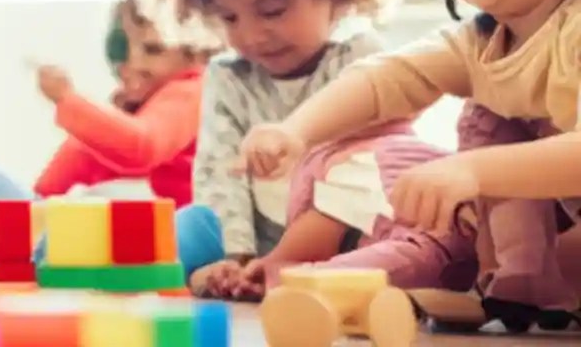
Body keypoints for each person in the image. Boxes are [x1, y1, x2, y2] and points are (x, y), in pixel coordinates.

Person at [239, 0, 581, 330]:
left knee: (491, 143)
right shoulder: (480, 41)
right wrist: (296, 131)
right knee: (487, 114)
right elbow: (386, 78)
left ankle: (527, 287)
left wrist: (474, 172)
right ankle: (515, 287)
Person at [149, 0, 399, 291]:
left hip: (350, 231)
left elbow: (366, 172)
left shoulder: (356, 56)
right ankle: (234, 275)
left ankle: (286, 273)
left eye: (272, 11)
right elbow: (219, 172)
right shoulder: (229, 76)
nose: (251, 35)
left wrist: (288, 257)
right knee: (190, 224)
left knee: (365, 196)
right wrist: (237, 257)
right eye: (229, 18)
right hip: (257, 239)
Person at [0, 0, 219, 221]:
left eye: (153, 50)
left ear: (198, 52)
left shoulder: (191, 90)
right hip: (83, 219)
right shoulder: (153, 103)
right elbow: (52, 186)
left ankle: (26, 246)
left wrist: (68, 99)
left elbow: (142, 147)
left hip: (148, 233)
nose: (134, 62)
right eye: (127, 49)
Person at [202, 113, 478, 300]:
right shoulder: (389, 155)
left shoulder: (338, 173)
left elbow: (310, 239)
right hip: (468, 217)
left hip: (434, 225)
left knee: (386, 268)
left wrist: (270, 272)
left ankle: (289, 282)